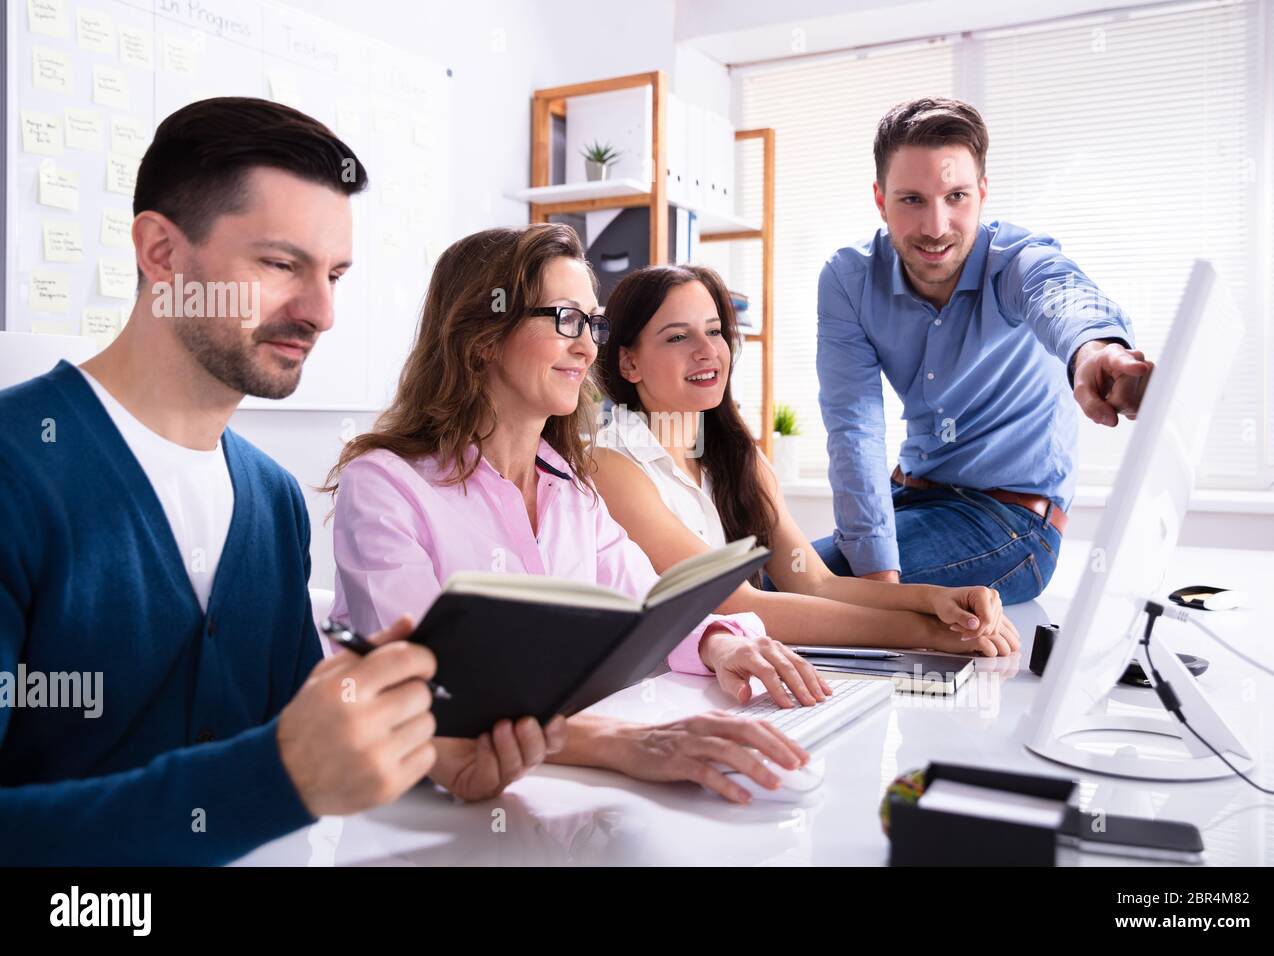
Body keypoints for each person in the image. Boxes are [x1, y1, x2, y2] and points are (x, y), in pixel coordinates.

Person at [0, 98, 441, 865]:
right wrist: (275, 778)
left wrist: (422, 740)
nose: (321, 311)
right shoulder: (18, 471)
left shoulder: (273, 502)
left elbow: (295, 743)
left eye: (334, 274)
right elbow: (274, 772)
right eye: (280, 265)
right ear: (161, 253)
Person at [325, 223, 826, 806]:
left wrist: (721, 642)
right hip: (427, 814)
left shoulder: (573, 491)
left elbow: (648, 605)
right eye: (565, 319)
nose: (588, 348)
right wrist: (627, 744)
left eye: (593, 324)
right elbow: (440, 690)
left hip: (562, 793)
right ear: (485, 336)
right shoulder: (387, 484)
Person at [814, 97, 1150, 602]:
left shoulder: (1015, 262)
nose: (935, 226)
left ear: (982, 194)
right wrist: (879, 590)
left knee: (784, 591)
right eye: (911, 200)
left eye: (956, 196)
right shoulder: (848, 279)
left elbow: (1061, 295)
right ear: (880, 200)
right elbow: (854, 428)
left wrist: (1093, 348)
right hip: (909, 498)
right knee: (762, 581)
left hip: (1011, 523)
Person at [590, 264, 1019, 657]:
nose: (708, 351)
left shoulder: (737, 459)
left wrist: (936, 600)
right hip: (653, 695)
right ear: (629, 363)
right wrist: (929, 633)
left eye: (715, 331)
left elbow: (815, 582)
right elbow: (736, 604)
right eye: (678, 337)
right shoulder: (612, 464)